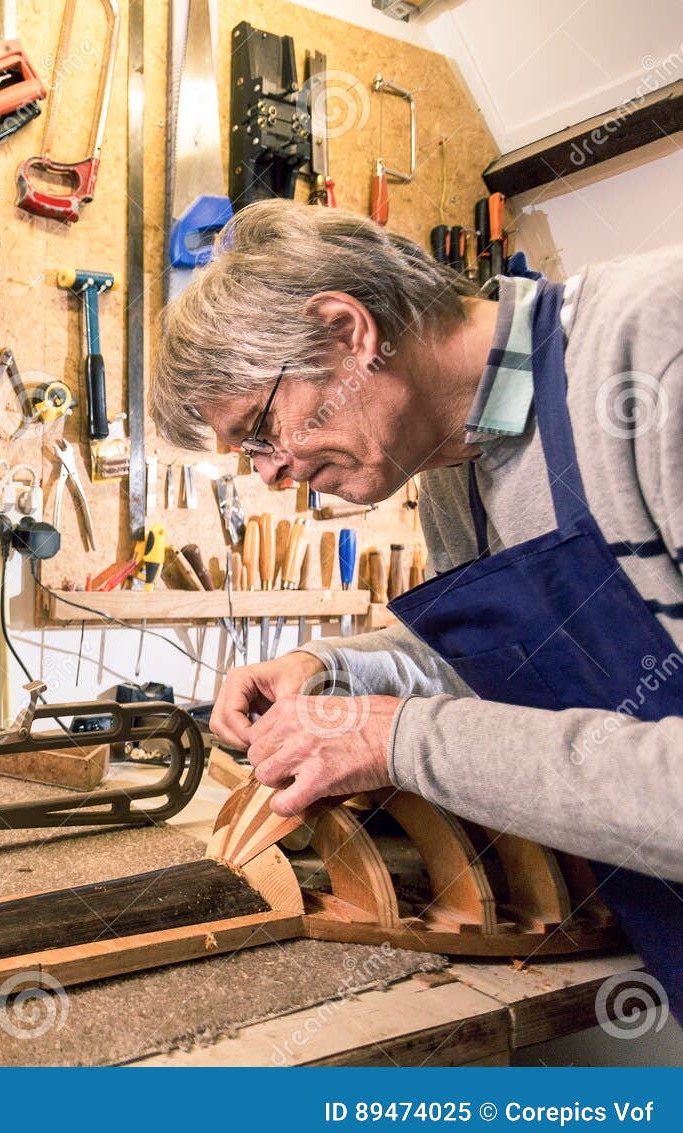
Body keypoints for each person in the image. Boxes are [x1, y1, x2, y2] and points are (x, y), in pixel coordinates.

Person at [151, 199, 683, 1016]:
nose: (269, 473)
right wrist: (330, 668)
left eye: (260, 432)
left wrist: (398, 739)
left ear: (346, 332)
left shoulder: (653, 353)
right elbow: (535, 667)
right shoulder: (450, 472)